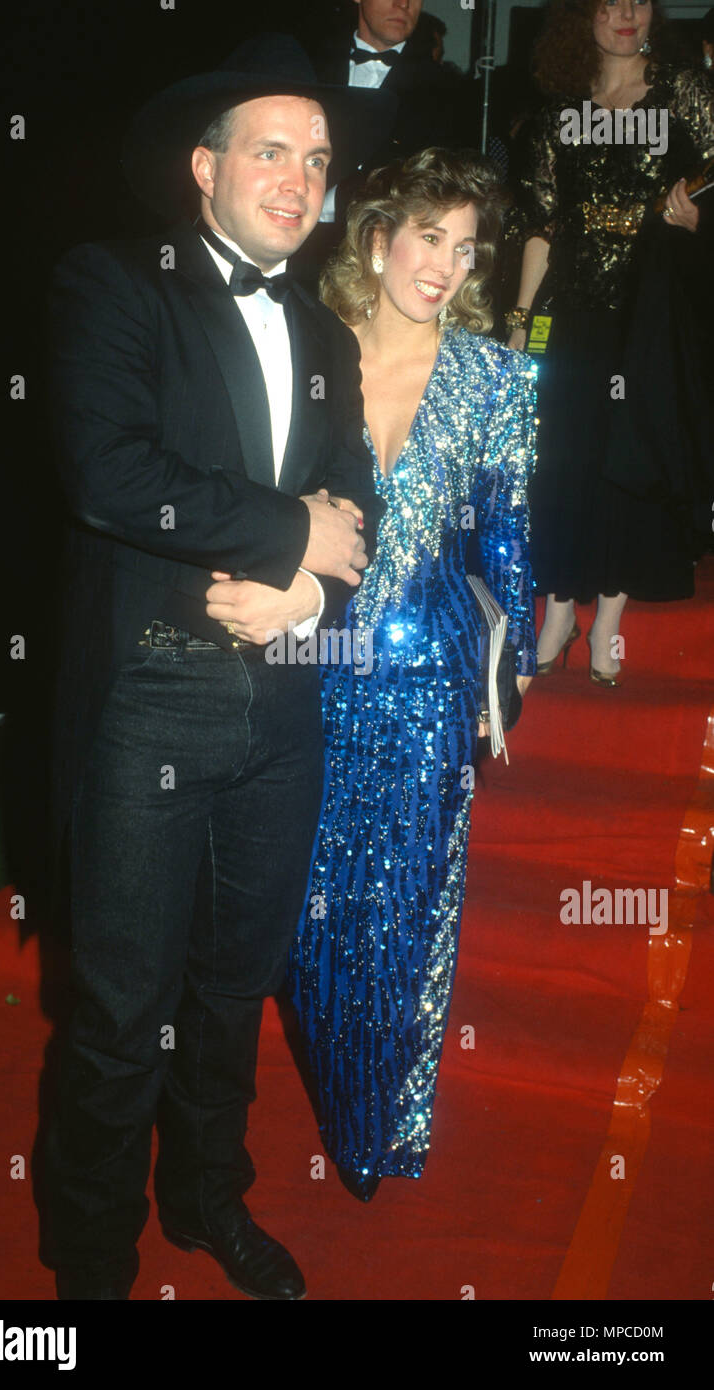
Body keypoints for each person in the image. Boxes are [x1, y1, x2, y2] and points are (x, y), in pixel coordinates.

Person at [39, 35, 388, 1302]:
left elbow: (358, 504)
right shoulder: (115, 283)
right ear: (205, 165)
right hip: (150, 697)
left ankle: (205, 1202)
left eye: (319, 159)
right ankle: (89, 1270)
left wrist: (311, 582)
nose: (300, 178)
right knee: (123, 1010)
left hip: (284, 712)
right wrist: (287, 527)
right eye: (272, 150)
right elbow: (108, 471)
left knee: (235, 986)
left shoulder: (325, 331)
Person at [286, 148, 537, 1201]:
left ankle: (378, 1125)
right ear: (380, 234)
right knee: (299, 914)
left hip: (428, 679)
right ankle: (332, 1077)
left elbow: (511, 546)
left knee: (400, 908)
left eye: (465, 246)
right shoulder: (311, 348)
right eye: (428, 236)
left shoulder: (497, 378)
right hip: (304, 668)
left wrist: (503, 685)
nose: (444, 264)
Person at [506, 0, 714, 684]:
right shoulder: (559, 109)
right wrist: (518, 316)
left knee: (629, 457)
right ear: (578, 17)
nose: (627, 13)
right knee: (563, 460)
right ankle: (559, 610)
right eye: (608, 1)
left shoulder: (684, 88)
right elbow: (541, 223)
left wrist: (694, 225)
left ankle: (610, 625)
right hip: (571, 314)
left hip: (652, 310)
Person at [292, 0, 476, 285]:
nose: (403, 4)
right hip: (294, 247)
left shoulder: (448, 92)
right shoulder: (303, 63)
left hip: (385, 262)